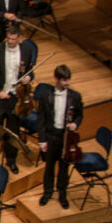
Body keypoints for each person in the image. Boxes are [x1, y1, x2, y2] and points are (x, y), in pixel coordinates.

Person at [0, 23, 36, 174]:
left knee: (14, 131)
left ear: (20, 38)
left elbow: (30, 70)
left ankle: (11, 160)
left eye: (13, 39)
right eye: (8, 38)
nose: (10, 41)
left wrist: (28, 77)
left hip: (15, 97)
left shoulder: (26, 50)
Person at [38, 65, 83, 209]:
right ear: (56, 79)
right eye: (64, 80)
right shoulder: (46, 95)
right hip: (51, 136)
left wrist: (75, 124)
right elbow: (41, 118)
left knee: (64, 167)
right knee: (49, 166)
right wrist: (42, 139)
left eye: (68, 80)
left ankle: (62, 194)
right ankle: (47, 193)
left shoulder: (75, 97)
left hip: (66, 138)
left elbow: (80, 115)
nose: (67, 83)